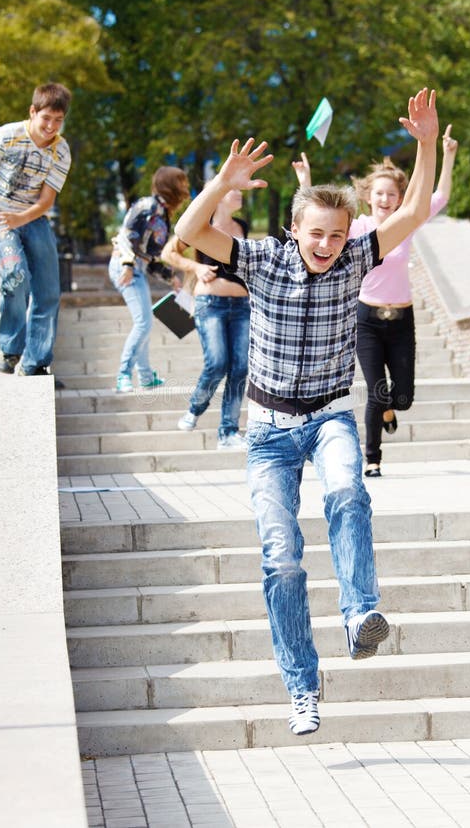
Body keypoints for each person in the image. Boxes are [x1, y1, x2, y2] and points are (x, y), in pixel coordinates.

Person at [173, 88, 439, 736]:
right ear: (294, 230)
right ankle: (302, 684)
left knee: (349, 491)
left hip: (327, 417)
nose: (326, 245)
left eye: (336, 235)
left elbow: (412, 213)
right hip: (266, 430)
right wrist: (221, 182)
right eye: (315, 234)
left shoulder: (355, 257)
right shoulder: (261, 258)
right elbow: (188, 234)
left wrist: (426, 144)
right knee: (281, 557)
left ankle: (359, 613)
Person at [294, 125, 458, 477]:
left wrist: (448, 155)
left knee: (402, 399)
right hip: (366, 317)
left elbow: (439, 196)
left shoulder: (406, 224)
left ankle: (389, 411)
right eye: (380, 194)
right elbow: (316, 215)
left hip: (401, 318)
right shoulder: (359, 227)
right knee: (376, 390)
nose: (385, 200)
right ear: (370, 196)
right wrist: (305, 181)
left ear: (400, 199)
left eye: (392, 195)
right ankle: (373, 459)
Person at [0, 83, 73, 388]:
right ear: (33, 112)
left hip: (33, 218)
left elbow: (47, 200)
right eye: (46, 118)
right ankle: (11, 350)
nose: (50, 127)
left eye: (58, 121)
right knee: (16, 275)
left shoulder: (60, 150)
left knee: (49, 289)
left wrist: (21, 218)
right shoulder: (6, 135)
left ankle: (35, 363)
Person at [161, 188, 251, 449]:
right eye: (234, 189)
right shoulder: (202, 224)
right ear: (219, 193)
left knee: (240, 367)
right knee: (218, 362)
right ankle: (194, 409)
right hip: (210, 303)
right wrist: (196, 267)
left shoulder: (241, 225)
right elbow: (169, 253)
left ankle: (228, 433)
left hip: (242, 305)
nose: (240, 193)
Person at [108, 167, 190, 393]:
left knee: (144, 322)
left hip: (137, 269)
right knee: (143, 322)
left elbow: (150, 256)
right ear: (169, 185)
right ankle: (123, 374)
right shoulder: (147, 207)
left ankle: (144, 376)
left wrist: (170, 277)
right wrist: (127, 265)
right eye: (181, 183)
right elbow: (127, 237)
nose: (185, 187)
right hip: (125, 267)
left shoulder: (163, 213)